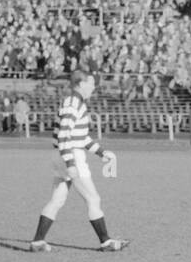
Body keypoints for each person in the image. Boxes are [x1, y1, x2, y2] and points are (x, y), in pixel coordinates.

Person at [29, 69, 129, 252]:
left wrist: (102, 152)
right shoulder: (73, 103)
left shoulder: (75, 103)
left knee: (57, 199)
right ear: (81, 84)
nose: (94, 87)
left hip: (63, 154)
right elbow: (65, 136)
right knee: (93, 198)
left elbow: (81, 138)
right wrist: (71, 164)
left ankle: (38, 241)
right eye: (91, 83)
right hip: (71, 155)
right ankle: (106, 241)